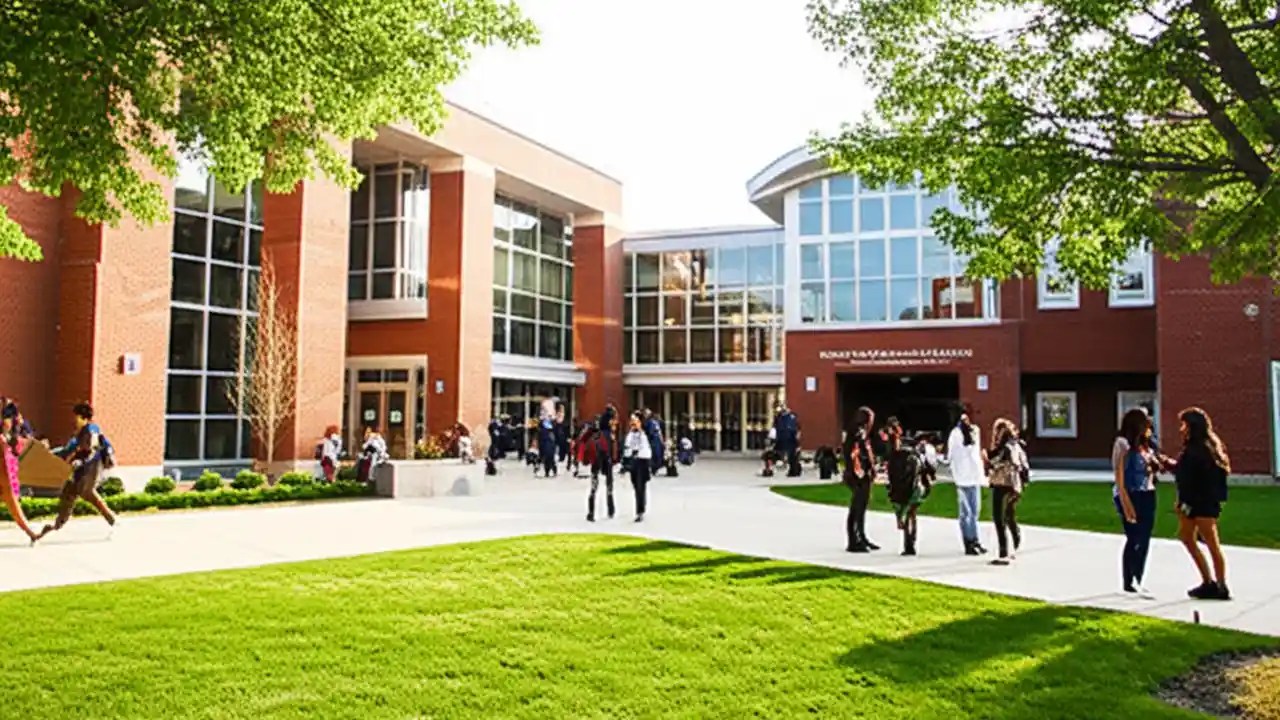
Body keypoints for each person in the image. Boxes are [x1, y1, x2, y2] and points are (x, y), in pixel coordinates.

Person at [1174, 407, 1232, 601]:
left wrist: (1184, 502)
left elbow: (1190, 478)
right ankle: (1209, 582)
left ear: (1191, 427)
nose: (1181, 429)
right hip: (1199, 503)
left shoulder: (1199, 451)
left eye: (1183, 425)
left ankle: (1220, 585)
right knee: (1187, 538)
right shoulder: (1206, 448)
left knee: (1211, 543)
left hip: (1200, 504)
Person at [45, 402, 117, 538]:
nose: (74, 420)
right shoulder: (81, 432)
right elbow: (69, 449)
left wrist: (81, 461)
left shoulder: (91, 430)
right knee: (69, 492)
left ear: (83, 418)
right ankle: (57, 525)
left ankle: (113, 520)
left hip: (91, 468)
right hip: (81, 469)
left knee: (86, 493)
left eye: (76, 417)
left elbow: (91, 450)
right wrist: (50, 453)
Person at [1113, 408, 1159, 597]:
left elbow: (1153, 470)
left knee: (1146, 538)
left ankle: (1139, 578)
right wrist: (1126, 504)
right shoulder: (1122, 444)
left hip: (1147, 493)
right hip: (1129, 493)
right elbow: (1119, 477)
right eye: (1146, 420)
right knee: (1134, 538)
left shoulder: (1147, 445)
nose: (1149, 423)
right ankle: (1128, 580)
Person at [885, 418, 931, 556]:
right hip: (911, 484)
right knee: (911, 513)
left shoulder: (897, 450)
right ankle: (910, 543)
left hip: (902, 485)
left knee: (907, 513)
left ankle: (909, 543)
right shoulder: (905, 450)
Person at [987, 418, 1029, 566]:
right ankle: (1015, 542)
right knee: (1009, 515)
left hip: (1002, 483)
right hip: (1015, 485)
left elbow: (995, 462)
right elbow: (1025, 467)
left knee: (998, 518)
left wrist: (985, 459)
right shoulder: (1016, 445)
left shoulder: (1004, 447)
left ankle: (1004, 552)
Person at [946, 412, 988, 555]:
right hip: (962, 478)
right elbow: (951, 456)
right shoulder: (955, 434)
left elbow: (976, 453)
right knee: (966, 513)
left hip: (974, 476)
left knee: (975, 511)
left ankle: (975, 539)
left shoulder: (975, 431)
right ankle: (968, 542)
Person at [1, 405, 42, 544]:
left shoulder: (9, 438)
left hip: (5, 479)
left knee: (14, 506)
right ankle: (31, 533)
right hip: (4, 478)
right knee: (13, 505)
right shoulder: (3, 439)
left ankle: (31, 533)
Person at [842, 406, 880, 553]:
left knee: (861, 507)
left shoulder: (862, 434)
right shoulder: (856, 435)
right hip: (858, 476)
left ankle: (862, 537)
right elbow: (854, 456)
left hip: (864, 475)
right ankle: (854, 540)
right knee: (857, 507)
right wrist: (861, 472)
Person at [624, 412, 653, 522]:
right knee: (636, 487)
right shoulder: (630, 435)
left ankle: (640, 511)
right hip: (634, 463)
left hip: (642, 462)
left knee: (641, 487)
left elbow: (647, 450)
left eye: (635, 420)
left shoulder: (644, 435)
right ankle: (640, 507)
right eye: (632, 420)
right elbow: (627, 448)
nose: (632, 422)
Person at [586, 418, 616, 521]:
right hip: (606, 461)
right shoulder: (607, 434)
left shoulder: (591, 438)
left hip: (596, 462)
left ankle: (591, 512)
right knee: (609, 487)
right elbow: (613, 448)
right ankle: (611, 510)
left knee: (594, 488)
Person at [773, 406, 802, 477]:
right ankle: (791, 469)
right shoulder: (782, 418)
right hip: (787, 438)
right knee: (790, 454)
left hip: (789, 439)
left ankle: (792, 470)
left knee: (791, 455)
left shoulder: (786, 418)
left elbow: (797, 428)